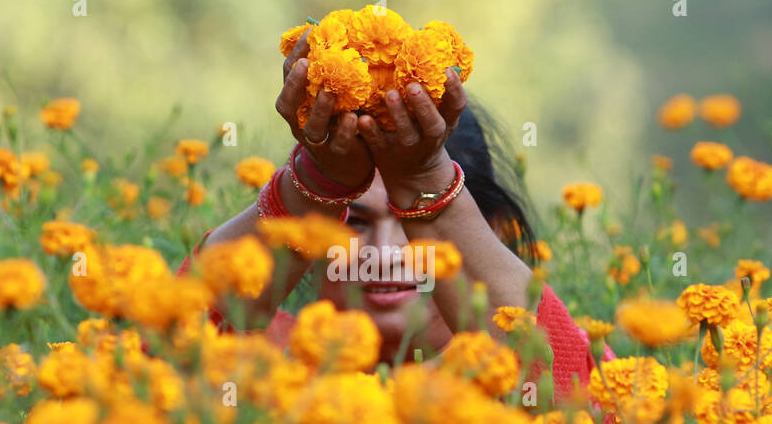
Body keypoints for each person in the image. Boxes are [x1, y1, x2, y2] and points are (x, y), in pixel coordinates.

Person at [193, 30, 612, 403]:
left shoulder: (523, 392)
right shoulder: (261, 366)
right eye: (354, 221)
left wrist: (425, 178)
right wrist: (317, 182)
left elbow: (577, 402)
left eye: (415, 226)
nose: (388, 253)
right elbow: (166, 350)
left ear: (495, 232)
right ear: (310, 242)